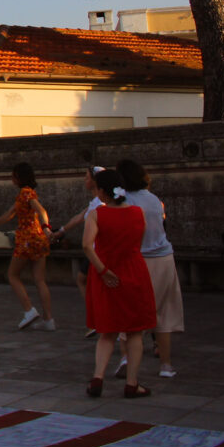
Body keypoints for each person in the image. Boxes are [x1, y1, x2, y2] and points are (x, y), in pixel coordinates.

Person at [83, 167, 157, 399]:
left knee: (107, 332)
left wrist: (102, 269)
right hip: (134, 272)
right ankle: (132, 383)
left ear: (103, 192)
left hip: (107, 273)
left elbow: (87, 245)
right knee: (135, 332)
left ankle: (98, 376)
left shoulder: (98, 215)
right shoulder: (138, 213)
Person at [117, 158, 183, 379]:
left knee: (130, 312)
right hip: (164, 257)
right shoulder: (154, 199)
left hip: (139, 260)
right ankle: (166, 365)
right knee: (163, 313)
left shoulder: (124, 201)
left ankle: (126, 358)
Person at [0, 162, 56, 331]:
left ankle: (29, 310)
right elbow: (8, 215)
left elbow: (41, 211)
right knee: (40, 280)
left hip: (27, 239)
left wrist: (47, 227)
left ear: (18, 177)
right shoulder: (26, 195)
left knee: (13, 275)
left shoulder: (25, 193)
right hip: (39, 239)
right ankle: (49, 319)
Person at [50, 166, 107, 337]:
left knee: (87, 282)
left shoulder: (101, 203)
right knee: (85, 281)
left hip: (97, 251)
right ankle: (97, 318)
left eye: (87, 177)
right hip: (95, 251)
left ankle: (98, 319)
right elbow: (78, 217)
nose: (84, 180)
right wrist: (60, 231)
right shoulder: (95, 202)